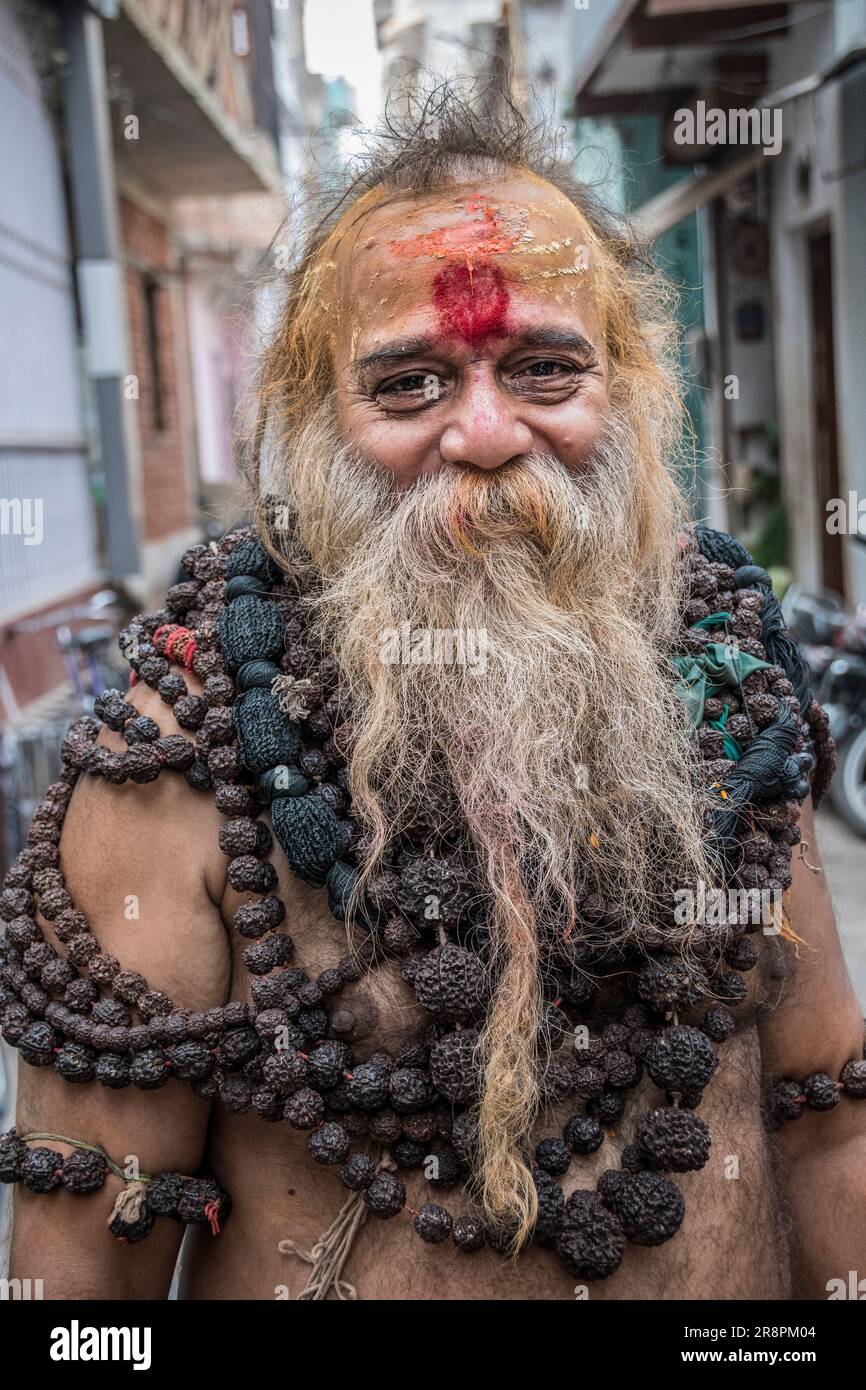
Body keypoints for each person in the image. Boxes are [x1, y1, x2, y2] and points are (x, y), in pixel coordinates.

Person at [3, 86, 864, 1302]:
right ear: (309, 424)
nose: (484, 432)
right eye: (407, 383)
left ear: (625, 385)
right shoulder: (175, 759)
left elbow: (825, 1109)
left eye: (546, 367)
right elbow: (82, 1286)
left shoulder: (724, 685)